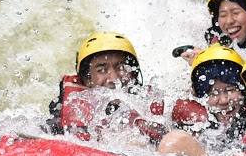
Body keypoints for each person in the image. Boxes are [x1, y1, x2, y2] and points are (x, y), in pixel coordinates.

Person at [49, 31, 201, 145]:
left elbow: (202, 111)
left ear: (133, 73)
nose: (114, 78)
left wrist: (201, 69)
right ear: (88, 79)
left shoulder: (153, 103)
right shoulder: (70, 108)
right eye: (102, 70)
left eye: (122, 67)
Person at [155, 44, 246, 156]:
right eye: (213, 93)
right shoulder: (200, 124)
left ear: (244, 91)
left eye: (230, 90)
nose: (223, 100)